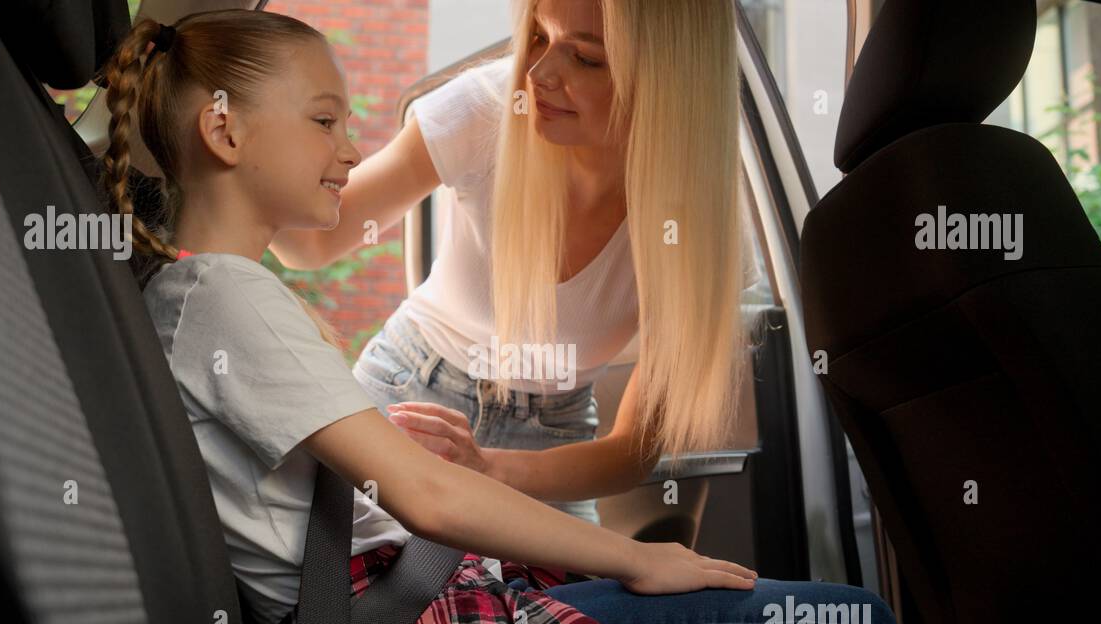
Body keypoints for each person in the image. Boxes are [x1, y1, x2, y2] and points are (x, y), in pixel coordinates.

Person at [106, 9, 906, 624]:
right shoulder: (224, 297)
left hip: (427, 578)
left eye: (587, 57)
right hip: (418, 600)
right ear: (224, 131)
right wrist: (638, 557)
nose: (352, 148)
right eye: (325, 120)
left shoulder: (219, 298)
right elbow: (424, 492)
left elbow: (589, 458)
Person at [271, 0, 761, 545]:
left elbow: (633, 453)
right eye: (537, 37)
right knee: (373, 602)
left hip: (558, 443)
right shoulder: (486, 108)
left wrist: (490, 468)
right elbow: (309, 243)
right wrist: (253, 147)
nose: (539, 73)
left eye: (585, 58)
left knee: (564, 623)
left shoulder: (700, 219)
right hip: (411, 399)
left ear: (670, 79)